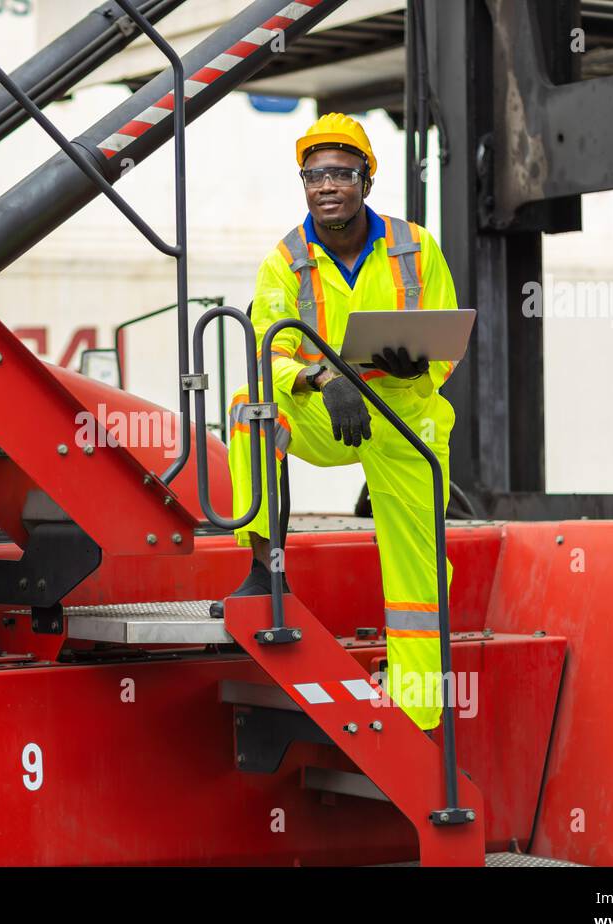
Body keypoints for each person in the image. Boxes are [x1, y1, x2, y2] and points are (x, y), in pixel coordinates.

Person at [213, 113, 459, 732]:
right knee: (250, 407)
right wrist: (322, 380)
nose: (328, 186)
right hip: (328, 410)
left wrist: (415, 368)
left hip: (404, 413)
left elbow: (450, 336)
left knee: (419, 572)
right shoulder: (283, 261)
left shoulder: (415, 247)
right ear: (304, 183)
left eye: (342, 173)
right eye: (315, 174)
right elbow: (267, 346)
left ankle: (419, 716)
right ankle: (263, 566)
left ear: (366, 180)